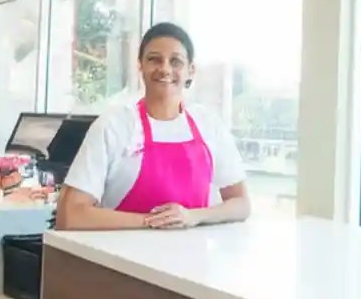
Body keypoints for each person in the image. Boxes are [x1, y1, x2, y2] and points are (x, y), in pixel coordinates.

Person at [55, 22, 251, 230]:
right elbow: (70, 214)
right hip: (120, 258)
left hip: (193, 259)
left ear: (190, 70)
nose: (165, 69)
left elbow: (241, 204)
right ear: (140, 65)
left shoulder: (209, 124)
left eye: (176, 61)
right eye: (154, 59)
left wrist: (193, 216)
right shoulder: (114, 125)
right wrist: (153, 221)